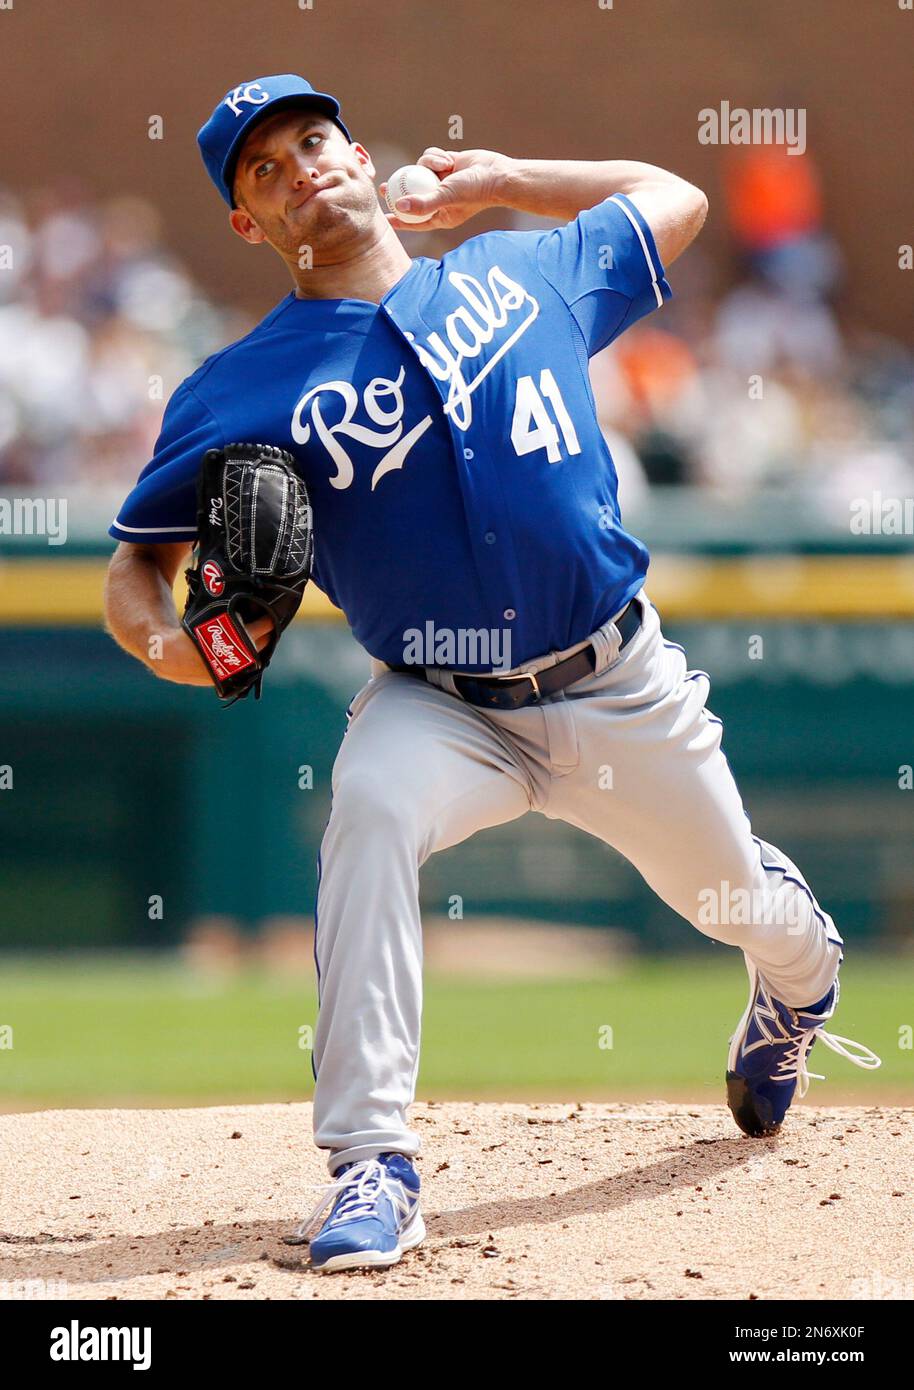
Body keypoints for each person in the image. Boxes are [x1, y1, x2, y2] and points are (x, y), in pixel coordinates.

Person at [103, 74, 881, 1275]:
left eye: (314, 140)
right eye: (264, 169)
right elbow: (133, 577)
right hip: (436, 703)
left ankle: (797, 986)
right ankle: (372, 1160)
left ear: (362, 159)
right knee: (364, 806)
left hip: (617, 682)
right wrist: (184, 651)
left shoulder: (518, 272)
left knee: (743, 911)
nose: (300, 166)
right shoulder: (235, 388)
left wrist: (508, 182)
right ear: (247, 224)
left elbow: (668, 196)